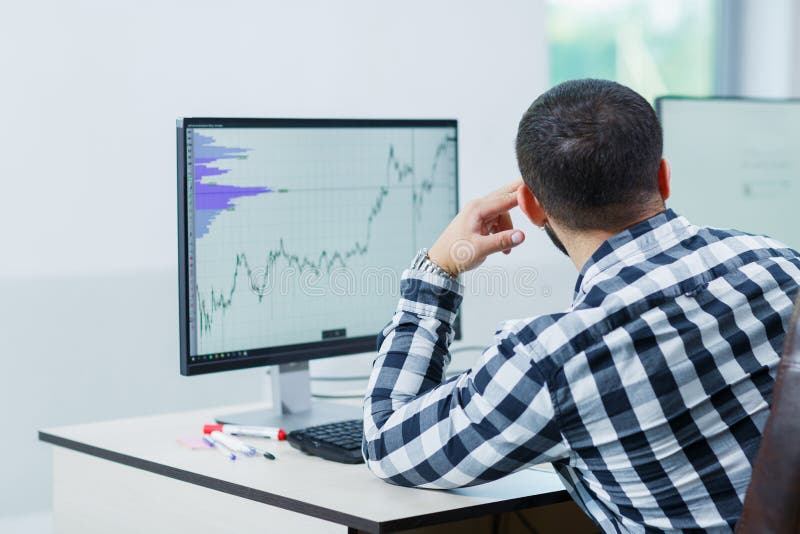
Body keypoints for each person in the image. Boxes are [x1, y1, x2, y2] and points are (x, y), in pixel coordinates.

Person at [361, 78, 800, 532]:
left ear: (531, 207)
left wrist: (438, 270)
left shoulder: (555, 359)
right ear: (664, 178)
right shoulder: (779, 263)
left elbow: (386, 441)